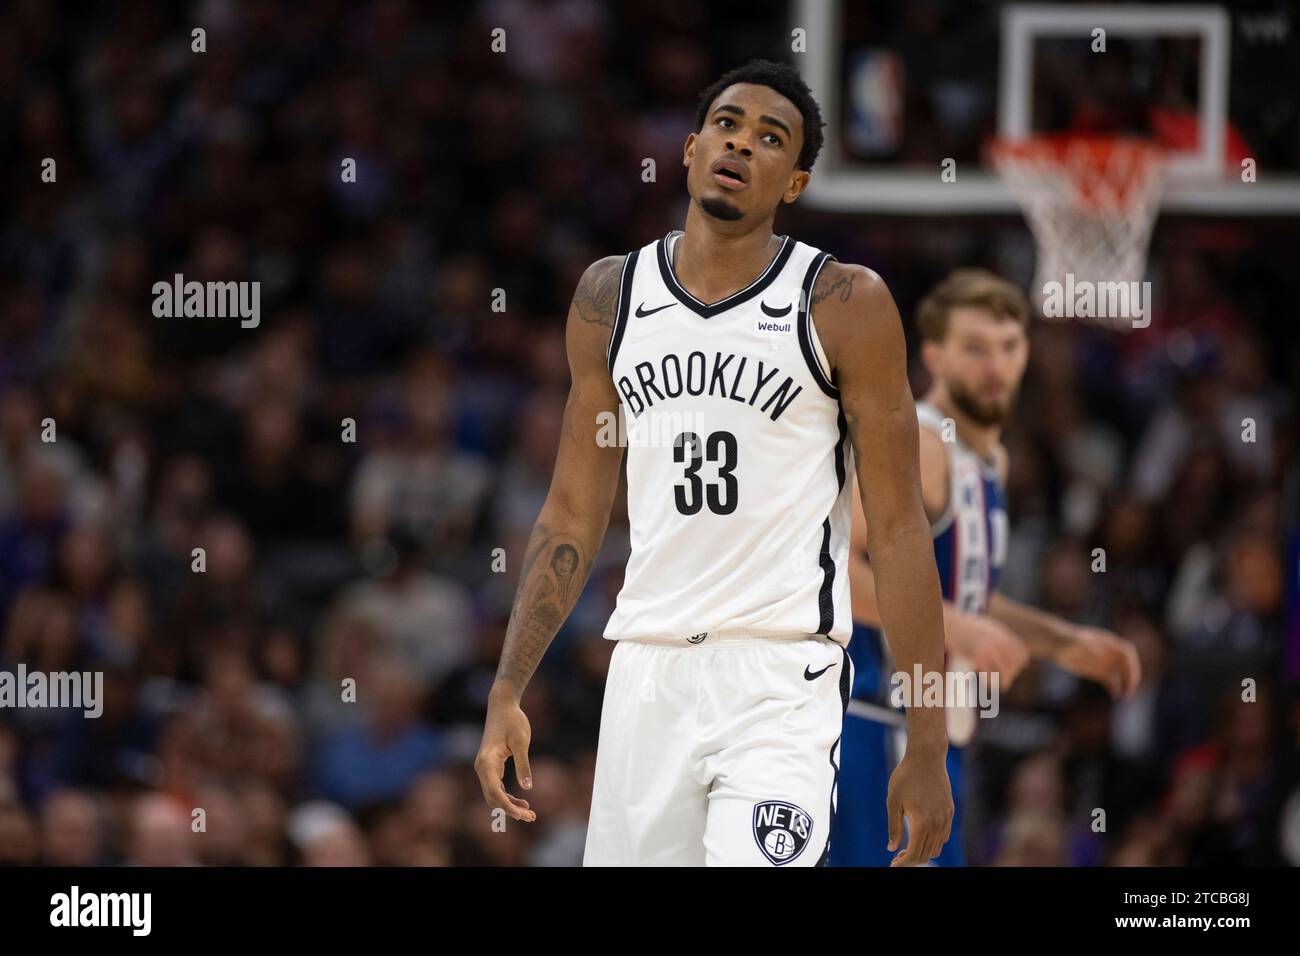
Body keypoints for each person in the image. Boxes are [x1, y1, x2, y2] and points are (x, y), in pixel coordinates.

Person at [477, 58, 952, 866]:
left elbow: (903, 531)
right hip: (645, 672)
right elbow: (571, 515)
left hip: (779, 673)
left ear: (795, 183)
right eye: (728, 125)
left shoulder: (845, 304)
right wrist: (507, 687)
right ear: (692, 149)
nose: (743, 144)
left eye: (772, 139)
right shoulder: (609, 299)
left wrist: (929, 745)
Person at [828, 268, 1142, 866]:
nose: (995, 366)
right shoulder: (919, 444)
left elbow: (960, 596)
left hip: (936, 735)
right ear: (934, 355)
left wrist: (1063, 642)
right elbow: (837, 568)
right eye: (975, 348)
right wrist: (963, 630)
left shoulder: (984, 458)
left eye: (1008, 347)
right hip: (875, 727)